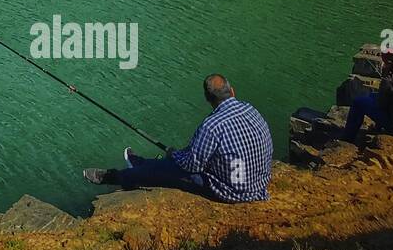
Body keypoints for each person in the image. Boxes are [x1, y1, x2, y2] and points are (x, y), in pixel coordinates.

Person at [83, 74, 272, 202]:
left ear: (208, 99)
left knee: (172, 168)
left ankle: (114, 176)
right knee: (182, 160)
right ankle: (141, 163)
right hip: (258, 185)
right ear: (232, 92)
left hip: (232, 192)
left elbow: (191, 166)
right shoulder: (250, 109)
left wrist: (174, 154)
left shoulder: (211, 126)